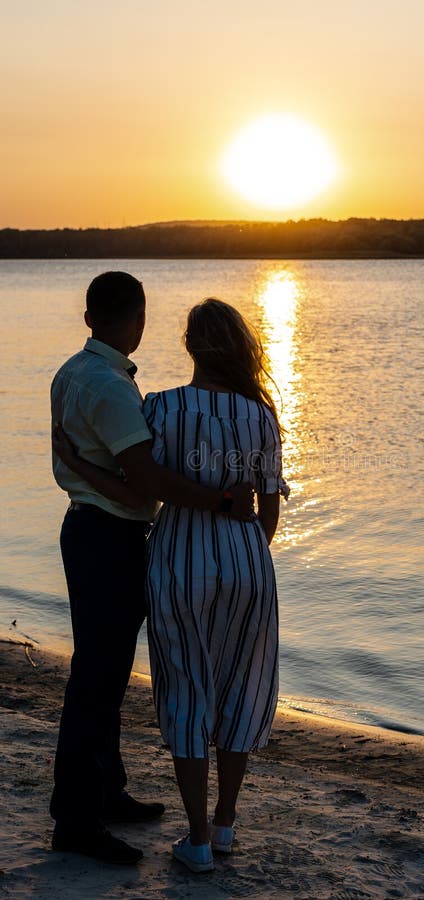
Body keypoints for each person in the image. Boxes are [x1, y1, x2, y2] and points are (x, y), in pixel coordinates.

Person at [50, 272, 254, 866]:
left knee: (105, 675)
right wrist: (220, 501)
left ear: (90, 317)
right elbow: (145, 487)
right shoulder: (111, 387)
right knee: (96, 680)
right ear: (138, 319)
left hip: (92, 530)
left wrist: (87, 474)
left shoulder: (74, 372)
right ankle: (76, 821)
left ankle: (107, 794)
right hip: (108, 539)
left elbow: (87, 463)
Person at [144, 299, 288, 873]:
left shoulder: (161, 407)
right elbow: (270, 510)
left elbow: (144, 487)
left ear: (189, 347)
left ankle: (197, 837)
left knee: (186, 692)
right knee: (241, 691)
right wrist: (247, 552)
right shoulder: (261, 414)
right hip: (249, 562)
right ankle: (225, 825)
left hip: (180, 560)